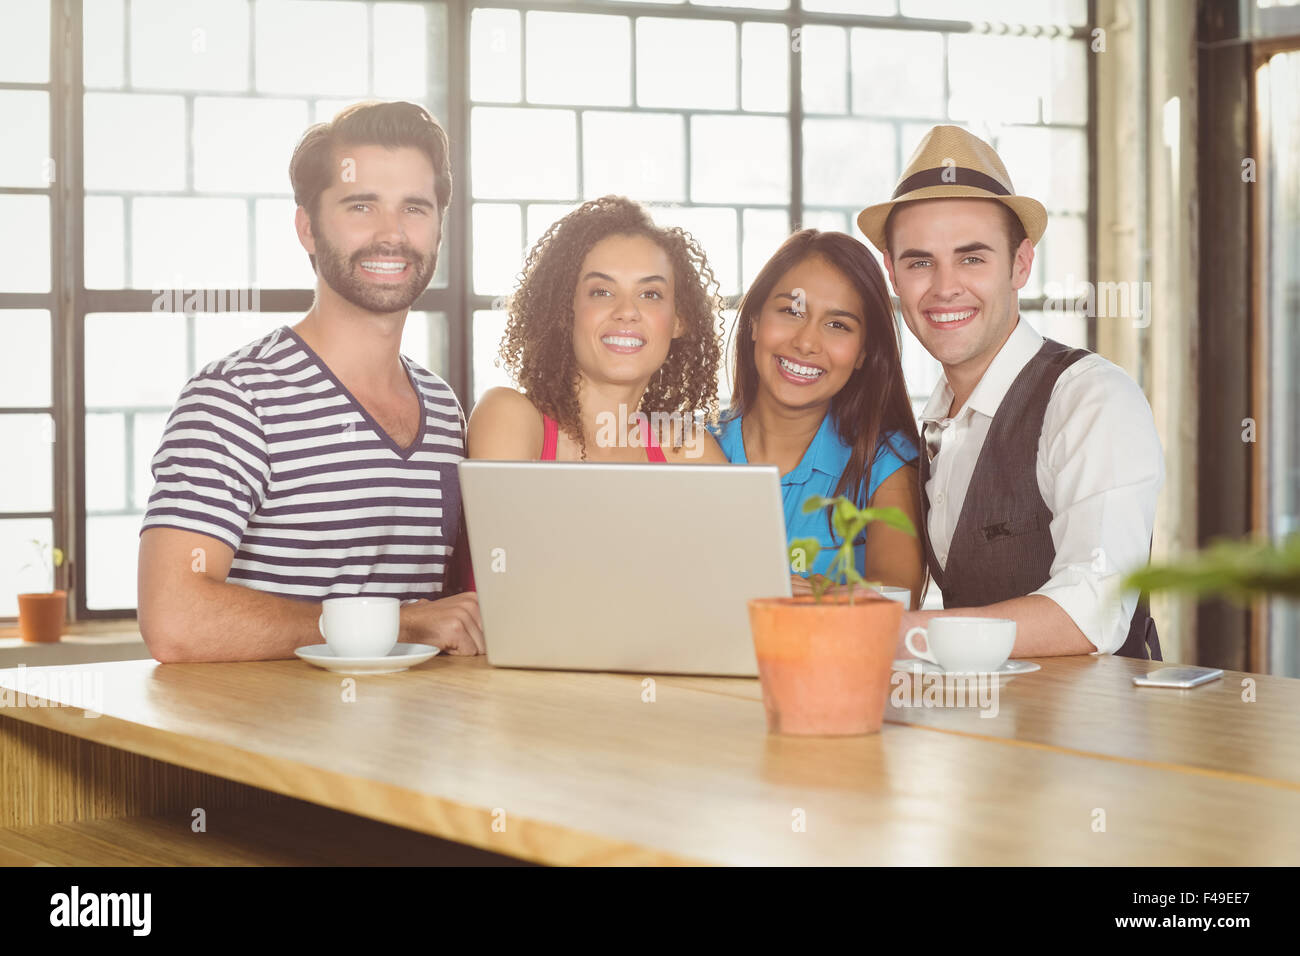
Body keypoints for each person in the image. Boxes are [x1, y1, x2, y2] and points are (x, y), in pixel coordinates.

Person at [137, 101, 483, 662]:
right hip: (262, 744)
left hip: (418, 740)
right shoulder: (235, 399)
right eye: (361, 205)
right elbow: (175, 619)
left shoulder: (443, 411)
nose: (391, 234)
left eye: (414, 208)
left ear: (439, 227)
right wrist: (401, 624)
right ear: (308, 229)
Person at [857, 124, 1164, 658]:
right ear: (892, 273)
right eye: (919, 262)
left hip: (1100, 736)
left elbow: (1091, 612)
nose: (945, 286)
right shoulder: (929, 423)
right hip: (983, 735)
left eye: (972, 258)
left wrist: (884, 635)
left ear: (1020, 264)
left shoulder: (1091, 400)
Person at [713, 229, 924, 603]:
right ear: (754, 322)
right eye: (791, 311)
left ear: (863, 354)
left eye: (838, 325)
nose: (807, 343)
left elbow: (896, 600)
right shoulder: (694, 447)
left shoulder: (885, 462)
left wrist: (805, 595)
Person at [468, 195, 728, 465]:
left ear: (679, 320)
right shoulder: (509, 415)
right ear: (565, 312)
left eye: (650, 294)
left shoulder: (684, 446)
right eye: (602, 292)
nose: (627, 311)